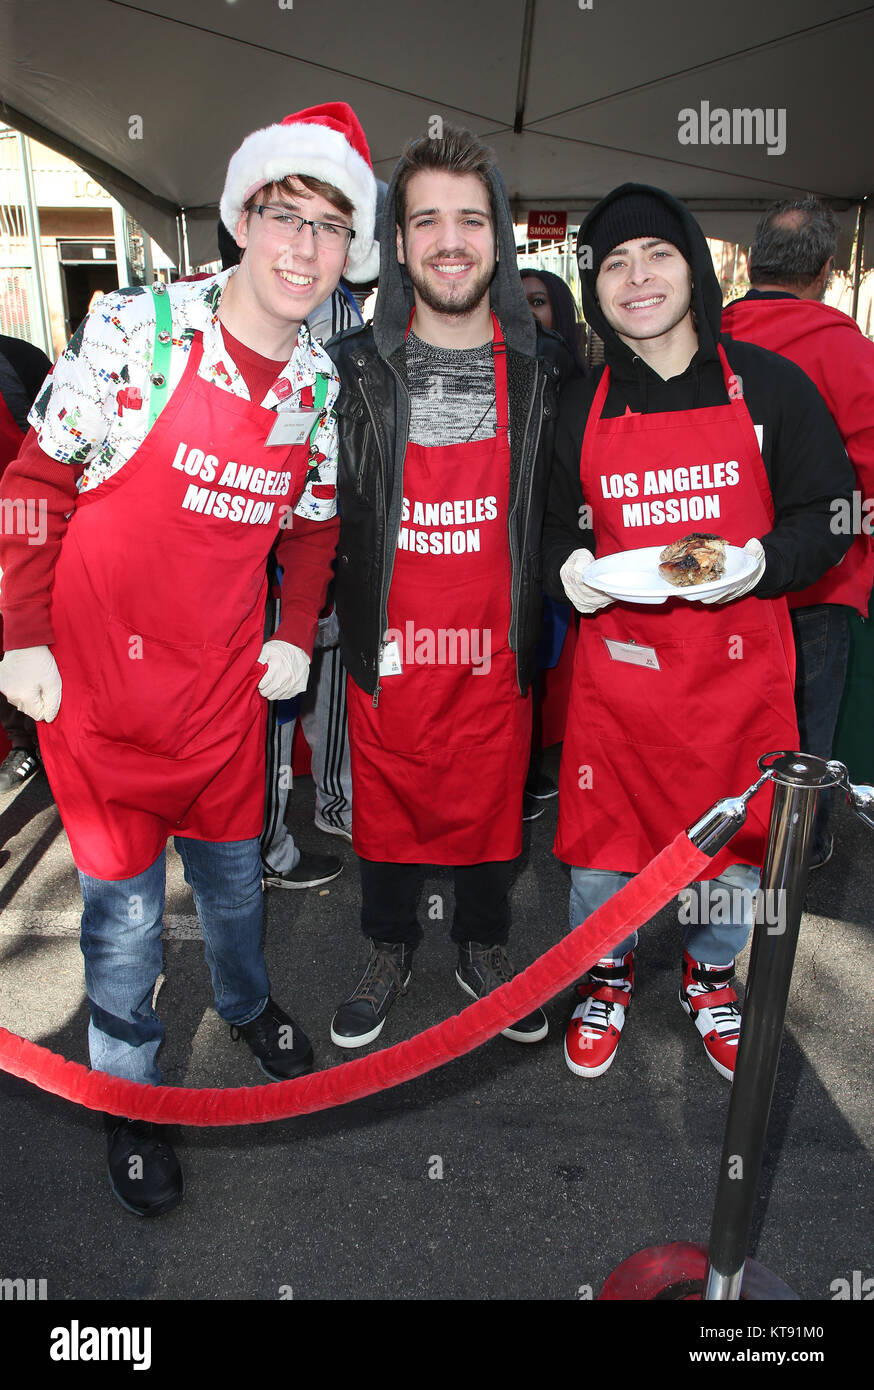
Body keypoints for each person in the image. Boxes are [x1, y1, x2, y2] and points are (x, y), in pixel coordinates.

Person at [0, 101, 377, 1215]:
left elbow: (311, 525)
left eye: (327, 226)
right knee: (119, 924)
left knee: (231, 884)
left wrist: (286, 628)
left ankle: (249, 1003)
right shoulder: (138, 330)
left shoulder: (318, 384)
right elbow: (33, 485)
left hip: (221, 707)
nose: (303, 246)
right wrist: (19, 635)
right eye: (284, 215)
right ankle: (132, 1100)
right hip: (101, 703)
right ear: (245, 221)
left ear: (348, 251)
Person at [543, 183, 854, 1083]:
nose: (637, 278)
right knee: (605, 860)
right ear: (594, 287)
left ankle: (710, 975)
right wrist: (566, 564)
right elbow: (549, 524)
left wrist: (767, 561)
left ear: (694, 271)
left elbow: (829, 513)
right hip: (620, 686)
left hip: (738, 681)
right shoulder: (578, 402)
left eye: (658, 256)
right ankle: (605, 976)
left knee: (739, 855)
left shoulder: (768, 384)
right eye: (614, 264)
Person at [327, 124, 572, 1048]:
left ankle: (483, 945)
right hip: (388, 653)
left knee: (493, 810)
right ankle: (387, 946)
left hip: (497, 648)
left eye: (472, 219)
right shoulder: (354, 371)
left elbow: (561, 510)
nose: (451, 240)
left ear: (500, 238)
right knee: (387, 817)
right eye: (426, 220)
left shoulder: (545, 371)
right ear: (397, 243)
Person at [722, 198, 874, 868]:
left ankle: (721, 835)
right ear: (826, 269)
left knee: (723, 718)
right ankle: (793, 849)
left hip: (719, 576)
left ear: (753, 260)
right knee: (805, 727)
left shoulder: (701, 333)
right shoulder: (848, 349)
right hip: (817, 582)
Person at [0, 332, 51, 794]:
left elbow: (47, 462)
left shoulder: (17, 360)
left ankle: (39, 741)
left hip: (19, 519)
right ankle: (23, 741)